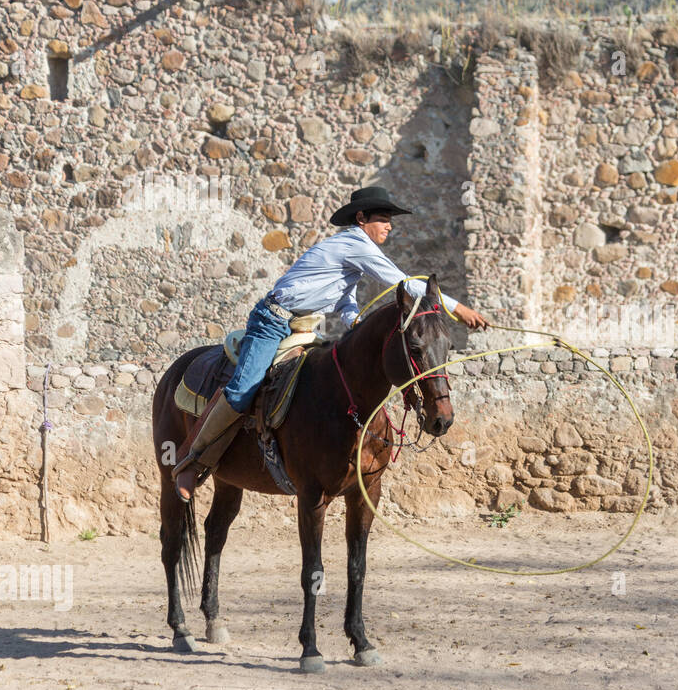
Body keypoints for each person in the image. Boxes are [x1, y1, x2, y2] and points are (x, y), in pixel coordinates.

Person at [172, 186, 490, 500]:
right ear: (362, 218)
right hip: (271, 322)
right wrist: (457, 308)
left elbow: (345, 300)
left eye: (390, 219)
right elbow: (403, 283)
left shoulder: (351, 255)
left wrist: (354, 323)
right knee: (243, 389)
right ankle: (190, 460)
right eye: (383, 218)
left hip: (303, 325)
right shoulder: (355, 243)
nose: (389, 225)